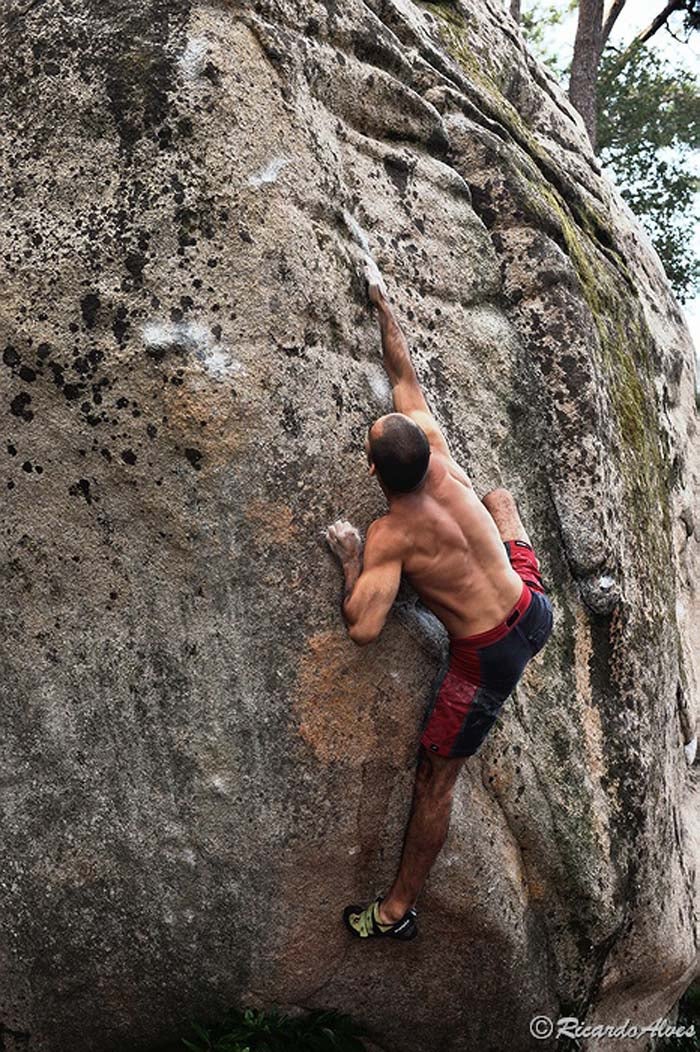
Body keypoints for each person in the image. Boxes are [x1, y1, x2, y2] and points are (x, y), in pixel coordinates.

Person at [325, 276, 554, 942]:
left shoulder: (391, 534)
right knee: (502, 501)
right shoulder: (440, 453)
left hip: (489, 657)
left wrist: (351, 559)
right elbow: (404, 372)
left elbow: (366, 628)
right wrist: (382, 303)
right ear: (425, 450)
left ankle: (395, 912)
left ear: (375, 474)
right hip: (531, 602)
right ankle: (478, 577)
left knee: (435, 778)